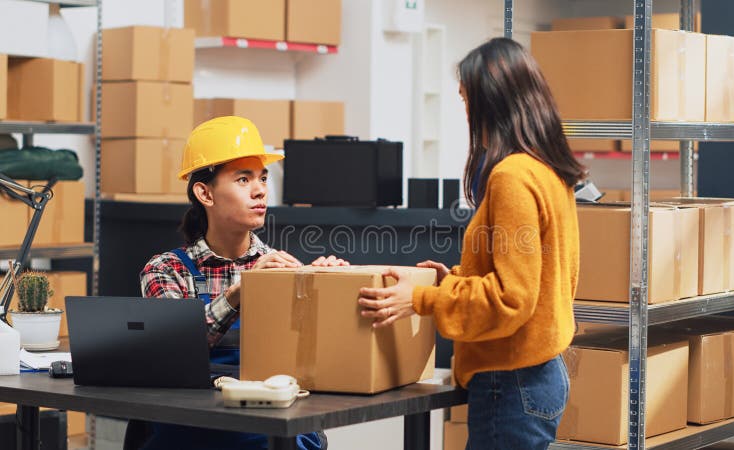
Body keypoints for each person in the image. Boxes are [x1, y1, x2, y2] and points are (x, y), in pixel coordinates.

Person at [358, 38, 585, 450]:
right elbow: (537, 275)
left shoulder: (512, 176)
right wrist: (454, 280)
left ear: (491, 101)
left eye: (466, 99)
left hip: (511, 378)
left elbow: (512, 298)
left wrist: (424, 298)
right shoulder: (547, 170)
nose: (465, 111)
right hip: (536, 375)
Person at [133, 116, 345, 450]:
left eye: (262, 177)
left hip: (267, 431)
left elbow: (312, 364)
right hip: (189, 430)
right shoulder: (167, 270)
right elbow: (172, 353)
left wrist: (330, 290)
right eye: (243, 179)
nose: (261, 189)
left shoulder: (282, 269)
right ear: (205, 192)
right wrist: (239, 292)